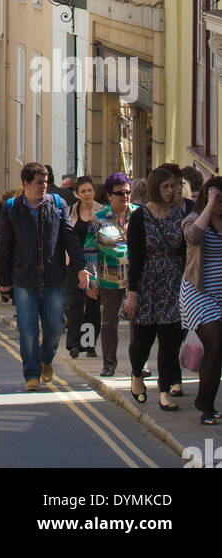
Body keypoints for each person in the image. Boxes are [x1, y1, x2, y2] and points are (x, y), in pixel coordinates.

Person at [0, 162, 89, 391]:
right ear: (26, 184)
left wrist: (79, 267)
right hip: (24, 278)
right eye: (39, 183)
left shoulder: (57, 205)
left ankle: (47, 358)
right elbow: (4, 247)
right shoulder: (11, 208)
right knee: (28, 330)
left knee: (56, 326)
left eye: (46, 182)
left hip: (53, 276)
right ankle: (31, 374)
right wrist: (4, 282)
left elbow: (69, 237)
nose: (44, 187)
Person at [123, 165, 186, 412]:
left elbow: (184, 252)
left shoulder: (178, 216)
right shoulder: (139, 216)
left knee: (170, 341)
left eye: (174, 186)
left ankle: (164, 391)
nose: (172, 191)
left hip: (173, 282)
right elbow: (135, 256)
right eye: (167, 186)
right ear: (155, 188)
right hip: (147, 283)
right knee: (143, 341)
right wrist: (133, 292)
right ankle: (137, 374)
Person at [180, 176, 222, 424]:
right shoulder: (194, 220)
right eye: (216, 198)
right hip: (199, 294)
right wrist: (209, 205)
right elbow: (194, 238)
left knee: (218, 350)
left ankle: (206, 400)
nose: (219, 203)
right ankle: (205, 406)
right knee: (215, 343)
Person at [88, 172, 136, 377]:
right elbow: (89, 250)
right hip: (109, 279)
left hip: (135, 279)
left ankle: (138, 364)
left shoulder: (139, 215)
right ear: (109, 195)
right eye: (119, 193)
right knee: (109, 323)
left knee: (138, 322)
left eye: (127, 192)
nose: (124, 196)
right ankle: (109, 364)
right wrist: (91, 280)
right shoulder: (98, 219)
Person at [65, 176, 102, 358]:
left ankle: (89, 344)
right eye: (83, 191)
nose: (87, 194)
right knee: (76, 303)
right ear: (77, 194)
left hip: (96, 263)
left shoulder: (102, 212)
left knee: (93, 305)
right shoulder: (71, 211)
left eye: (89, 190)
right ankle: (74, 344)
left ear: (94, 191)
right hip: (75, 262)